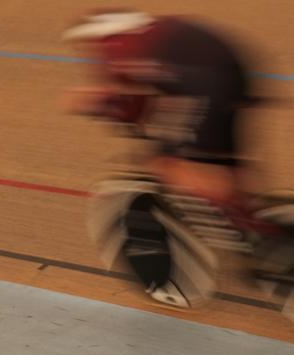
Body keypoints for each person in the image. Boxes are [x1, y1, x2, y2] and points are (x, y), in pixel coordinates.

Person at [62, 10, 270, 235]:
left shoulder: (116, 48)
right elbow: (153, 100)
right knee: (219, 159)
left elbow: (136, 106)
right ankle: (257, 212)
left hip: (206, 84)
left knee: (169, 164)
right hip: (229, 72)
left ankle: (251, 228)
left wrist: (100, 104)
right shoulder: (142, 32)